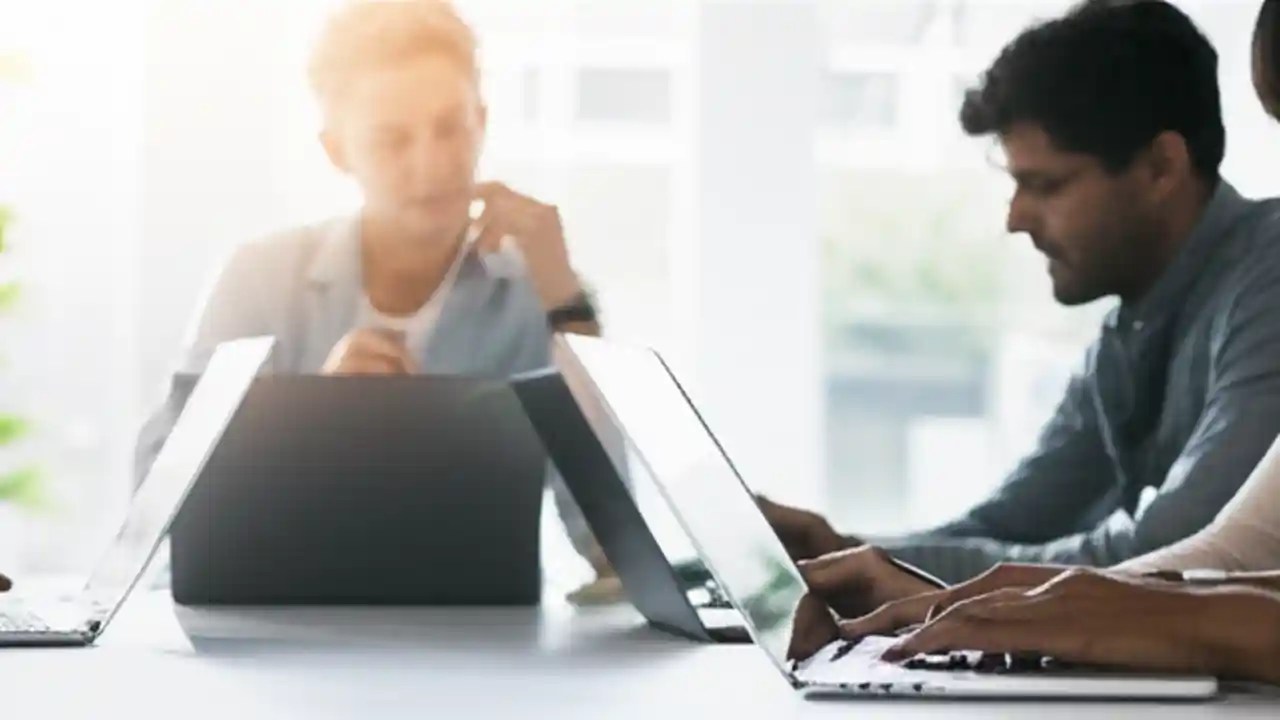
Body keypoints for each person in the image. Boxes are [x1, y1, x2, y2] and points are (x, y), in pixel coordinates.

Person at [787, 0, 1280, 684]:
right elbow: (1219, 554)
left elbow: (1167, 550)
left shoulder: (1269, 273)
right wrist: (856, 560)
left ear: (1161, 167)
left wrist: (894, 573)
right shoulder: (1128, 331)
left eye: (1045, 185)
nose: (1016, 218)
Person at [136, 0, 613, 580]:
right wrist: (317, 418)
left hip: (473, 625)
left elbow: (608, 541)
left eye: (451, 128)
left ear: (481, 122)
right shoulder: (261, 278)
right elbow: (157, 500)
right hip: (280, 621)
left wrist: (565, 307)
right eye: (393, 140)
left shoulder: (534, 296)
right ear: (338, 151)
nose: (433, 164)